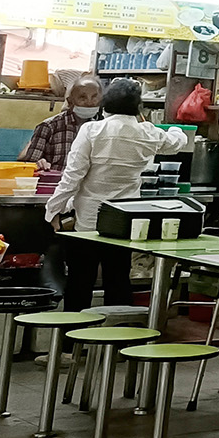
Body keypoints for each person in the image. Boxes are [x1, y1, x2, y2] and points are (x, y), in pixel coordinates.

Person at [45, 78, 189, 311]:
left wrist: (53, 210)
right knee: (118, 279)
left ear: (106, 103)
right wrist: (174, 128)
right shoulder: (147, 132)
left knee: (80, 281)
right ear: (137, 106)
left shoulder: (92, 130)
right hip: (123, 221)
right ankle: (117, 338)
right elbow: (176, 142)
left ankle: (70, 342)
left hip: (88, 221)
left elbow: (72, 176)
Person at [24, 77, 101, 171]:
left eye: (94, 97)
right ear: (70, 102)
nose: (89, 103)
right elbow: (30, 164)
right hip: (56, 183)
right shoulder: (49, 127)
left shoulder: (102, 128)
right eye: (82, 97)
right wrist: (40, 163)